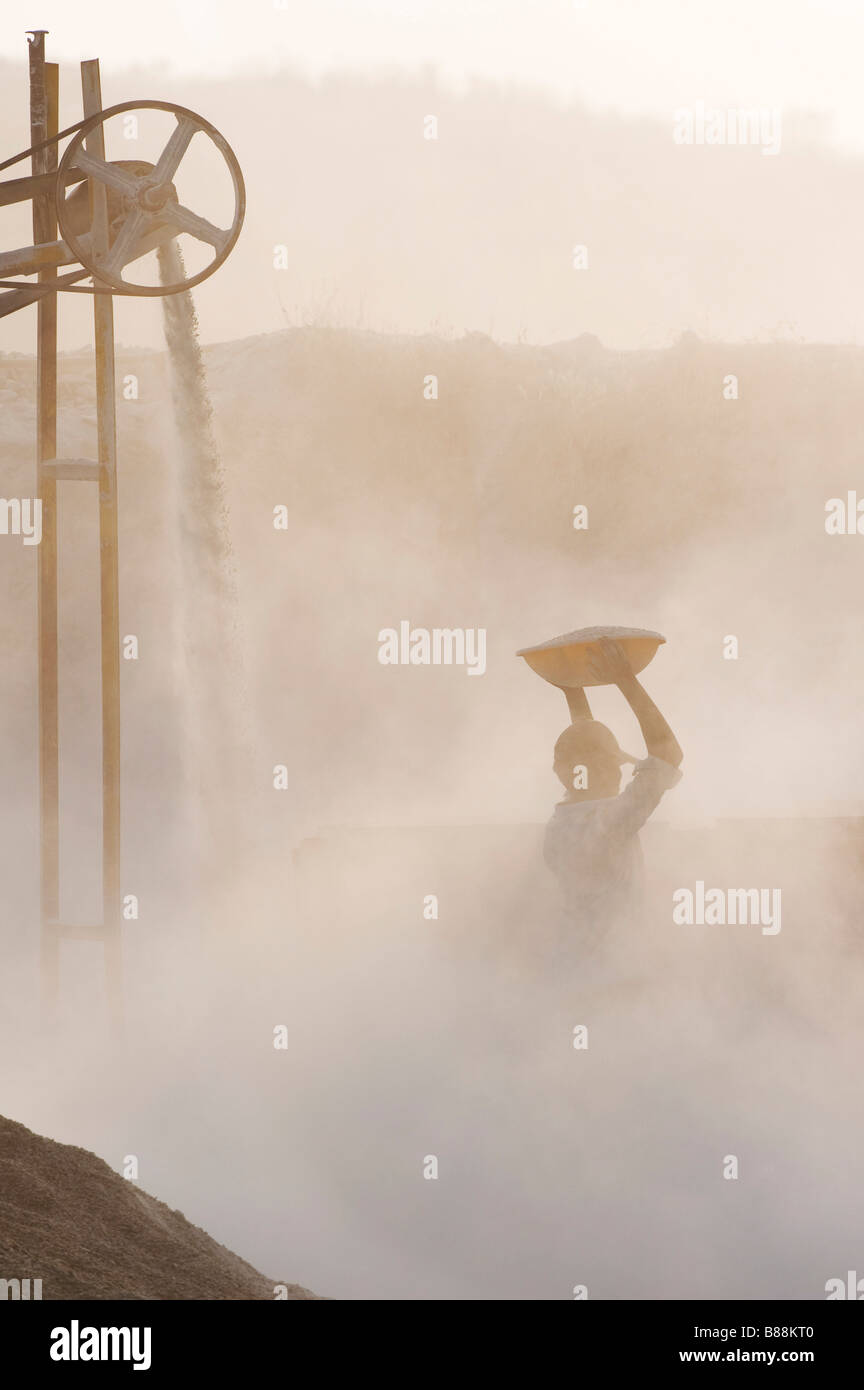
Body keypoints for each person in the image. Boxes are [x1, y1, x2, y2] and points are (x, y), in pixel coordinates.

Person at [543, 635, 683, 965]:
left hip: (573, 964)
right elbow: (668, 754)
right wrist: (626, 681)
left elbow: (583, 755)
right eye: (616, 764)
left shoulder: (563, 824)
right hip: (609, 975)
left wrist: (573, 689)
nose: (624, 772)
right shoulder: (610, 822)